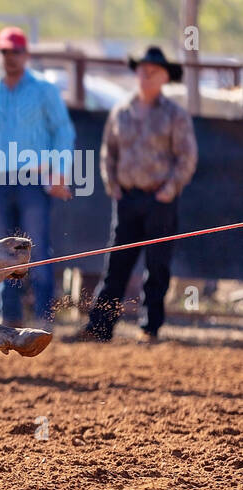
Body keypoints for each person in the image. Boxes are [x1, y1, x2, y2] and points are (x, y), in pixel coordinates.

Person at [76, 46, 198, 344]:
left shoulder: (175, 115)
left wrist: (170, 189)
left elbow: (187, 156)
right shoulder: (122, 111)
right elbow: (108, 152)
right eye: (142, 70)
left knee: (157, 266)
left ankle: (150, 327)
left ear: (164, 77)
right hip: (128, 199)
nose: (145, 75)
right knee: (116, 265)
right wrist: (112, 183)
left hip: (160, 199)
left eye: (152, 71)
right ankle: (101, 326)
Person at [0, 26, 74, 328]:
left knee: (34, 245)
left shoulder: (43, 90)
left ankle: (43, 314)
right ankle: (8, 313)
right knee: (1, 247)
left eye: (15, 51)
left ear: (25, 55)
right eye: (5, 51)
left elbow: (63, 131)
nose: (10, 57)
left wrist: (59, 171)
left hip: (34, 178)